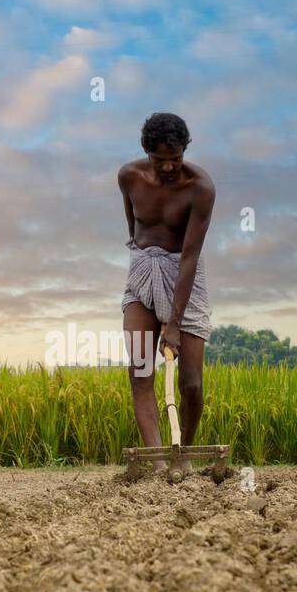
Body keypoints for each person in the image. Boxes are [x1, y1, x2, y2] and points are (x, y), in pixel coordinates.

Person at [117, 112, 216, 475]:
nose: (171, 166)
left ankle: (183, 455)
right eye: (161, 160)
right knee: (141, 371)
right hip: (143, 269)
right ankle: (158, 464)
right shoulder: (128, 176)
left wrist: (173, 324)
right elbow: (134, 226)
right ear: (146, 153)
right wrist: (143, 257)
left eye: (177, 157)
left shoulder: (200, 188)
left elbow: (189, 255)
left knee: (190, 381)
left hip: (182, 270)